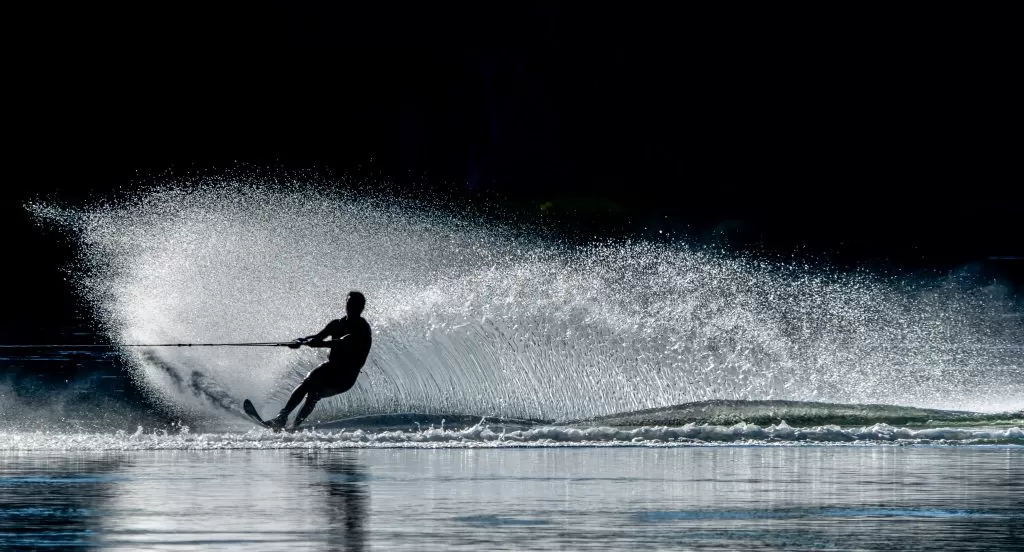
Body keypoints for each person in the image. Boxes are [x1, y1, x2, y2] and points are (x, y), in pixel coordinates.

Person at [266, 291, 373, 430]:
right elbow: (318, 337)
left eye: (356, 305)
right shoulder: (336, 324)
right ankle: (281, 418)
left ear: (361, 307)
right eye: (349, 303)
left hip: (346, 376)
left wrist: (317, 344)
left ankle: (293, 427)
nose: (352, 307)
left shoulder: (363, 329)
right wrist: (300, 341)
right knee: (306, 383)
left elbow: (340, 342)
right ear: (346, 304)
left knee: (314, 395)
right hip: (331, 367)